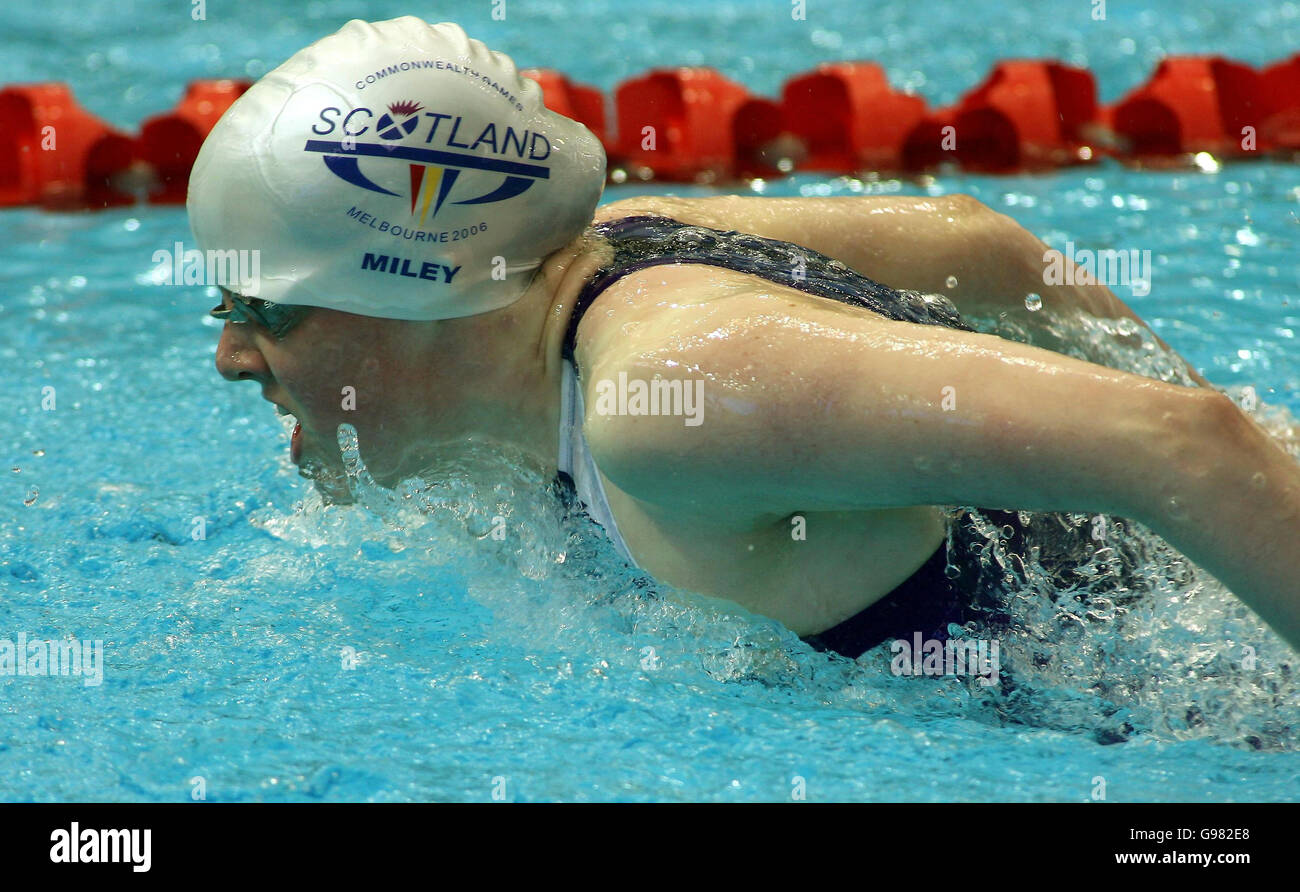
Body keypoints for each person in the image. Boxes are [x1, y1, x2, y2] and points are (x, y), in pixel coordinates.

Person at [189, 16, 1300, 656]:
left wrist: (1253, 465)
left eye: (264, 310)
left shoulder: (675, 403)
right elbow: (982, 246)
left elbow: (1182, 444)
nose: (231, 356)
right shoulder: (593, 245)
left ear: (416, 294)